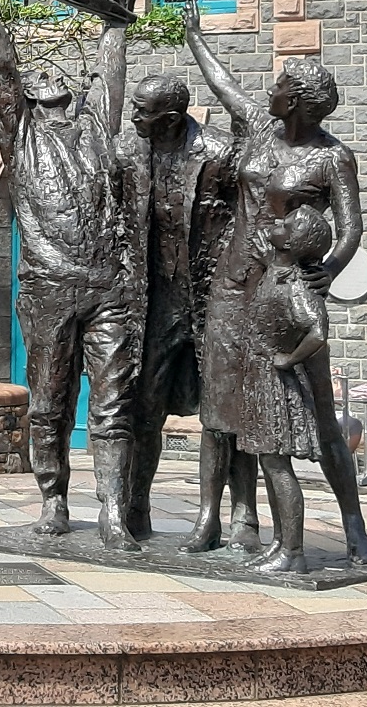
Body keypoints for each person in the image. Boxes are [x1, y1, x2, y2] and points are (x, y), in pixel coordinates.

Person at [182, 0, 367, 566]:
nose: (269, 89)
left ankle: (354, 526)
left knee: (318, 410)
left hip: (288, 289)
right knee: (220, 405)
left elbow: (352, 227)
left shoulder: (332, 158)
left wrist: (327, 271)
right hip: (233, 283)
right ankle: (215, 517)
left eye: (280, 85)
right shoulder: (261, 130)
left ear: (296, 102)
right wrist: (194, 35)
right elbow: (222, 85)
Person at [0, 0, 140, 550]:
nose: (49, 73)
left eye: (57, 74)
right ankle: (53, 498)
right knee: (49, 401)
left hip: (106, 289)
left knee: (113, 401)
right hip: (47, 290)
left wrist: (115, 6)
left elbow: (111, 65)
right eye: (38, 77)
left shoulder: (97, 127)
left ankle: (112, 508)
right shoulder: (19, 136)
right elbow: (1, 72)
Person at [115, 74, 243, 544]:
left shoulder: (221, 152)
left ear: (170, 118)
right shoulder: (128, 152)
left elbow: (254, 218)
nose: (133, 117)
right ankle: (136, 506)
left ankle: (234, 516)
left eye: (142, 111)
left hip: (216, 300)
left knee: (223, 411)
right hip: (157, 301)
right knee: (144, 407)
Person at [239, 206, 333, 574]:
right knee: (269, 463)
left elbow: (318, 331)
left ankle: (294, 551)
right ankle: (279, 542)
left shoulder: (295, 284)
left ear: (293, 243)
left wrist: (289, 359)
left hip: (277, 384)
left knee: (279, 467)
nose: (278, 224)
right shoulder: (274, 270)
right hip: (260, 379)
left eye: (286, 225)